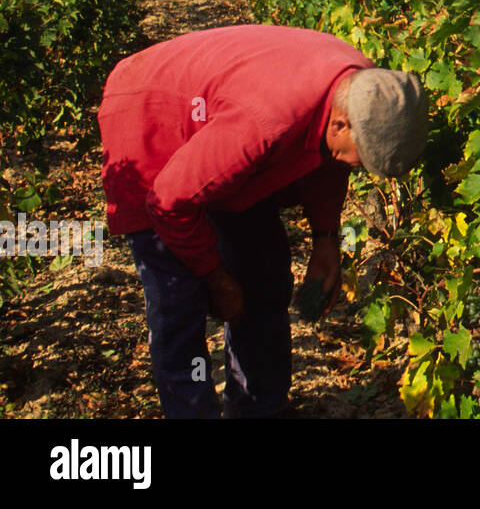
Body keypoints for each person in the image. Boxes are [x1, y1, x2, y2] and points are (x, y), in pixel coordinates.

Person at [99, 25, 429, 418]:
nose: (361, 169)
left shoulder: (365, 92)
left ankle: (259, 409)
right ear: (340, 125)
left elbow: (328, 162)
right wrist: (216, 278)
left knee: (264, 277)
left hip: (218, 127)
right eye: (364, 160)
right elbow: (168, 201)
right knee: (178, 305)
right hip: (149, 118)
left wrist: (326, 240)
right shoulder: (264, 123)